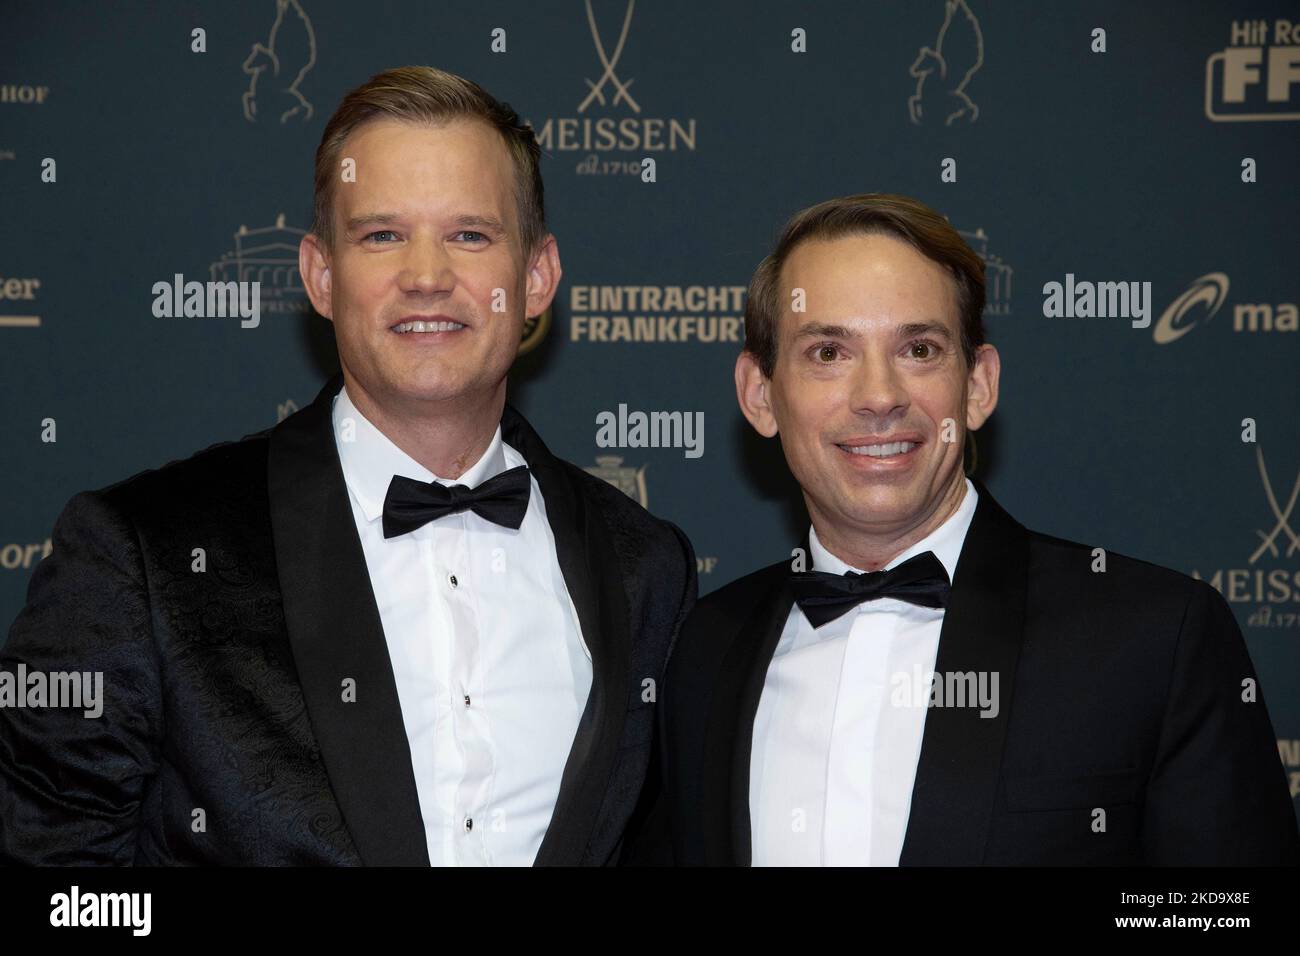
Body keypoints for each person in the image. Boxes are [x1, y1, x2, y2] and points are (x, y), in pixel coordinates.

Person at [0, 66, 695, 866]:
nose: (427, 276)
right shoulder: (143, 555)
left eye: (470, 234)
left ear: (535, 277)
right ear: (320, 276)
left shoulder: (644, 565)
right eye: (381, 235)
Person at [633, 193, 1298, 866]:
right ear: (759, 395)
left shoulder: (1156, 638)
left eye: (918, 348)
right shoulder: (704, 653)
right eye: (829, 351)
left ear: (977, 386)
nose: (879, 396)